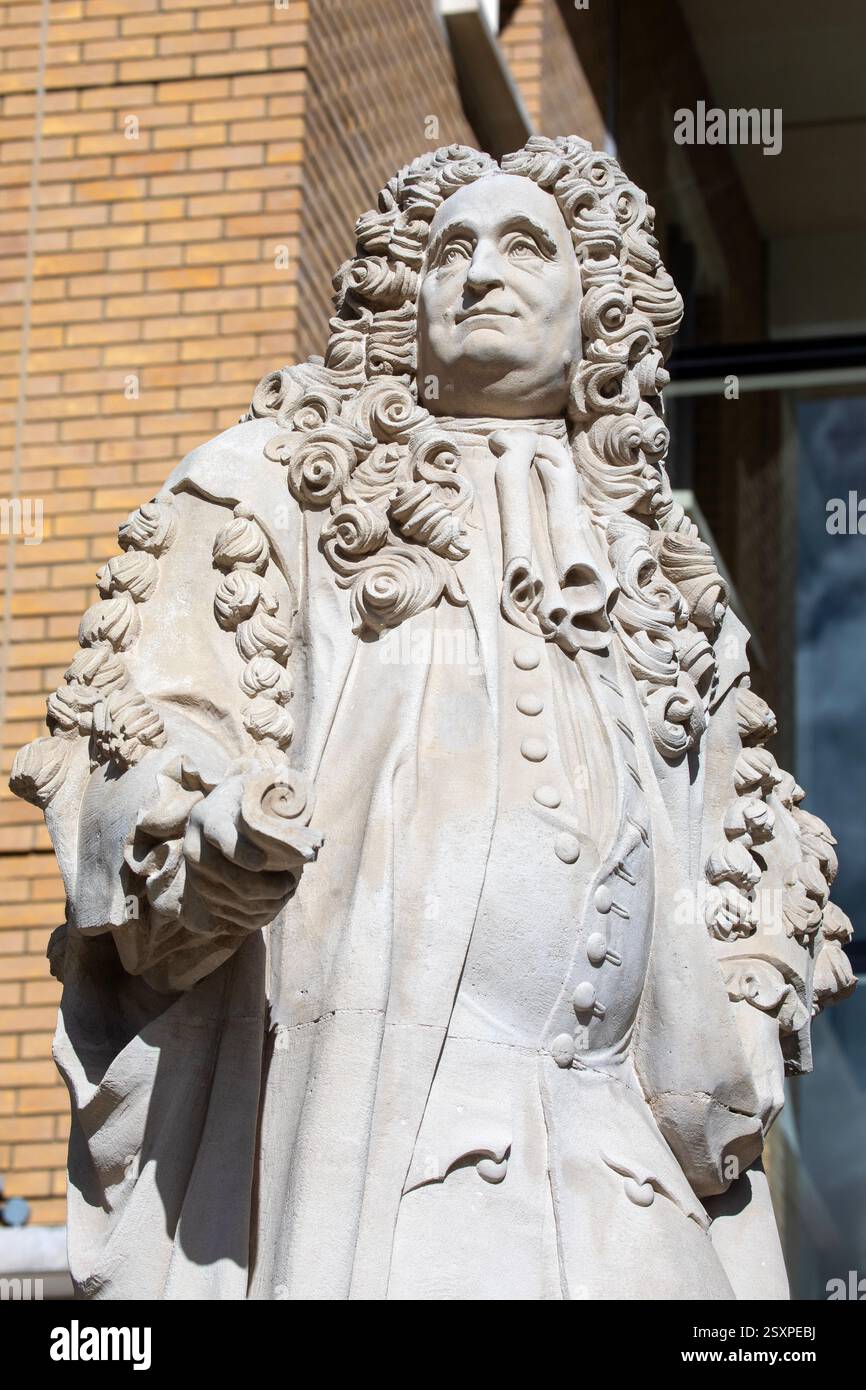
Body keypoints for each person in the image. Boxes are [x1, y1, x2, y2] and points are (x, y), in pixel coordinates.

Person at [11, 136, 854, 1300]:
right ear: (403, 303)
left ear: (596, 303)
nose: (479, 272)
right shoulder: (274, 489)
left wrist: (750, 992)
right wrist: (200, 843)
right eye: (449, 249)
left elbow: (751, 840)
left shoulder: (668, 581)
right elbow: (144, 724)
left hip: (630, 1163)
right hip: (394, 1139)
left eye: (524, 245)